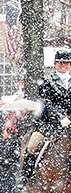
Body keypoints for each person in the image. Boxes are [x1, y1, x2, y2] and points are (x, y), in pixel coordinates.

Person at [22, 49, 71, 181]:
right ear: (55, 64)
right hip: (50, 123)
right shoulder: (47, 82)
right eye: (60, 63)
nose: (63, 65)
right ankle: (27, 176)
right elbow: (47, 104)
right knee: (33, 144)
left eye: (66, 63)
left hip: (69, 122)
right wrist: (61, 117)